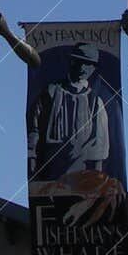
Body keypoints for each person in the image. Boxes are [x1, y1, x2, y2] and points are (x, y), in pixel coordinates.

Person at [27, 42, 112, 185]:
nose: (83, 68)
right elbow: (34, 129)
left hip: (81, 175)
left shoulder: (96, 102)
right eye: (80, 62)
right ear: (72, 62)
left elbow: (100, 144)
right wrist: (32, 157)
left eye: (88, 64)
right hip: (50, 171)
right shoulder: (51, 92)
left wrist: (97, 178)